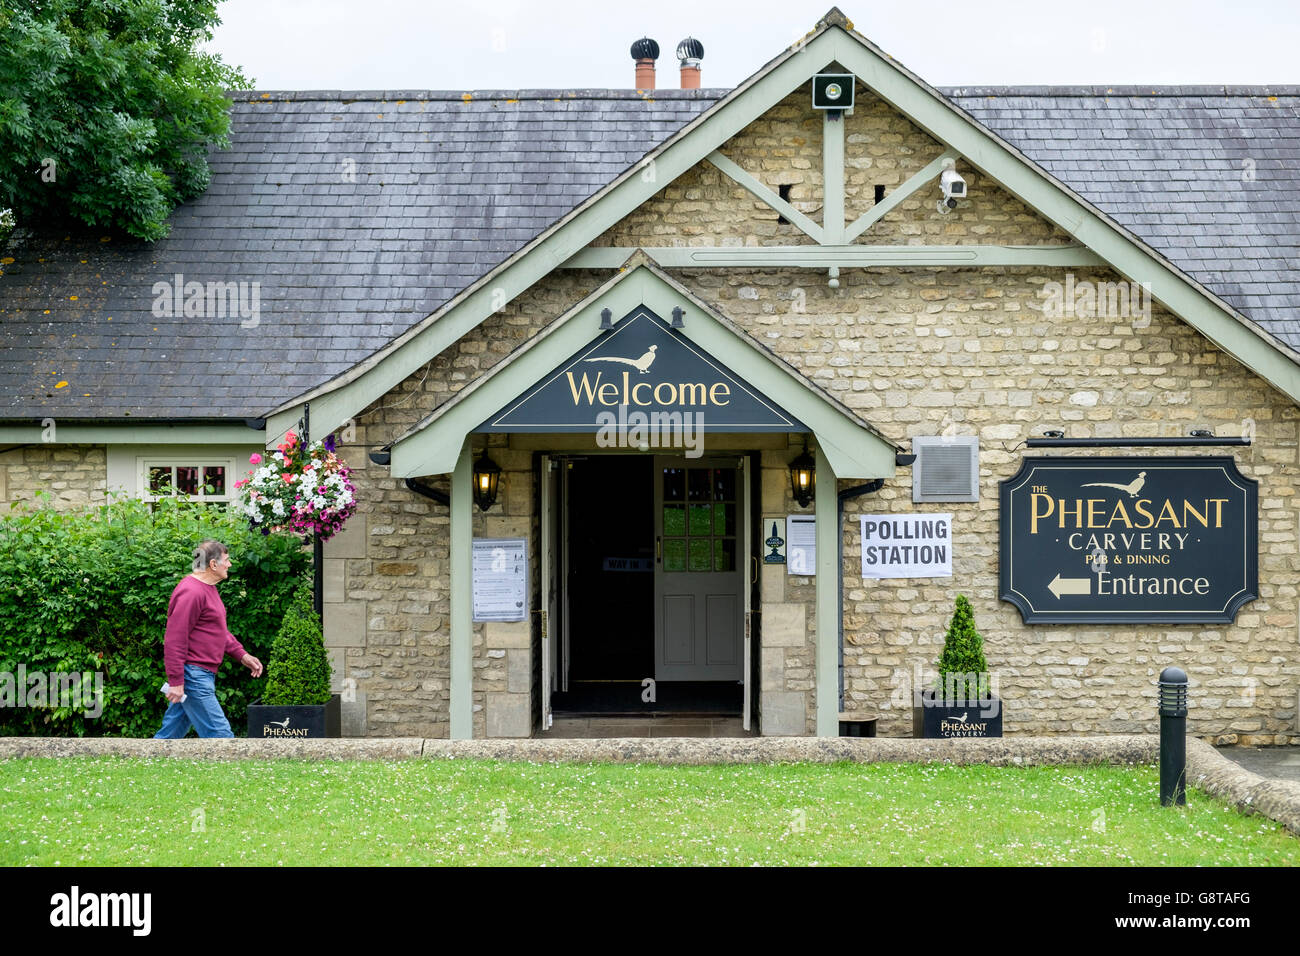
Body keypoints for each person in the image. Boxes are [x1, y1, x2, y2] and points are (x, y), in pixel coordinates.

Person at [154, 539, 263, 738]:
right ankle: (236, 769)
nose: (230, 565)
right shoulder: (191, 592)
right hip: (194, 676)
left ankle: (147, 766)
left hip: (198, 674)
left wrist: (242, 655)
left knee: (169, 737)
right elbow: (174, 640)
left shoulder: (207, 589)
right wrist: (177, 681)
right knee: (220, 736)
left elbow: (217, 630)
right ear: (213, 565)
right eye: (227, 560)